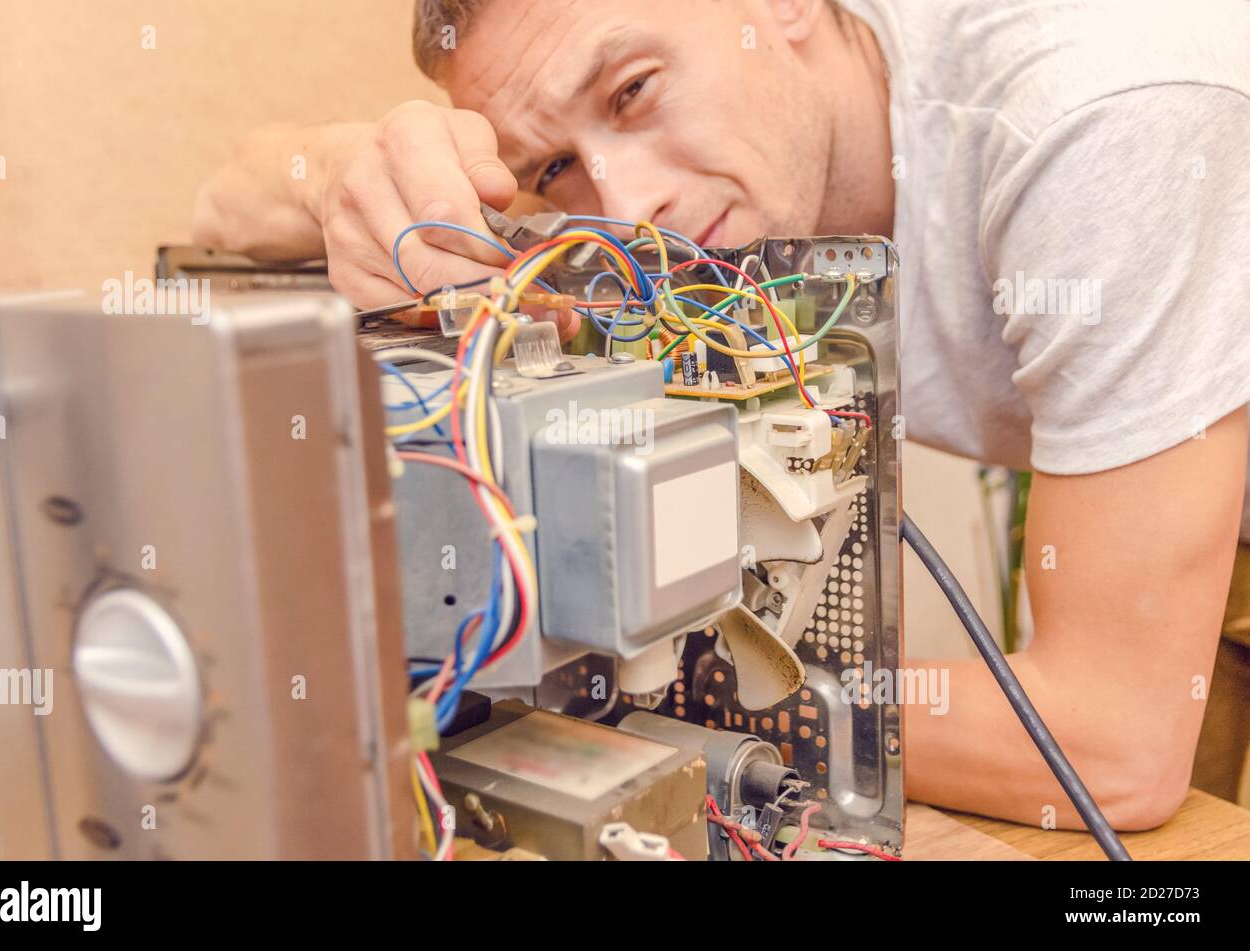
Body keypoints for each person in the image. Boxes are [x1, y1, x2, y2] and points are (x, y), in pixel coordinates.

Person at [193, 0, 1250, 830]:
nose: (625, 203)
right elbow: (224, 203)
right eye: (552, 166)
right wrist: (342, 172)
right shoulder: (638, 207)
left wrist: (610, 682)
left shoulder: (1099, 114)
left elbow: (1106, 747)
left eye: (634, 91)